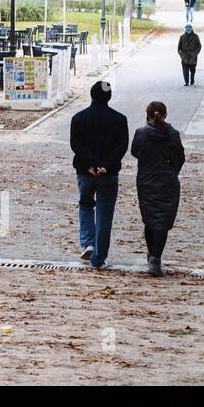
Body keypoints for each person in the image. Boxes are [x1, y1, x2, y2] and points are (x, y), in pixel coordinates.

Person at [68, 80, 129, 268]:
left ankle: (88, 242)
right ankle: (99, 257)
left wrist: (92, 164)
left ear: (91, 95)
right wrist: (105, 166)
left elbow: (76, 145)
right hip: (108, 173)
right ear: (109, 97)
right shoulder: (119, 119)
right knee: (104, 213)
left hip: (85, 171)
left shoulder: (79, 118)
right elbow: (121, 147)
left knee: (85, 204)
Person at [130, 101, 186, 276]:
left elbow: (134, 152)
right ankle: (155, 258)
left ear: (147, 115)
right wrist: (172, 170)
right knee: (162, 220)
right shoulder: (174, 134)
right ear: (165, 115)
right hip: (168, 182)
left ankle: (152, 256)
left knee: (149, 219)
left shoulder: (141, 133)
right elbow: (181, 157)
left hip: (146, 182)